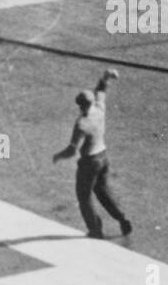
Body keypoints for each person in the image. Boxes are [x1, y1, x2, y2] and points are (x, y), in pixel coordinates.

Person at [52, 69, 133, 239]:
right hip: (103, 156)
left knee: (84, 197)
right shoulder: (99, 109)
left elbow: (73, 150)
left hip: (89, 162)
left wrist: (58, 156)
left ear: (80, 105)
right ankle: (122, 217)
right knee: (103, 191)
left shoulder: (82, 123)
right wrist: (106, 77)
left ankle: (95, 230)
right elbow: (101, 91)